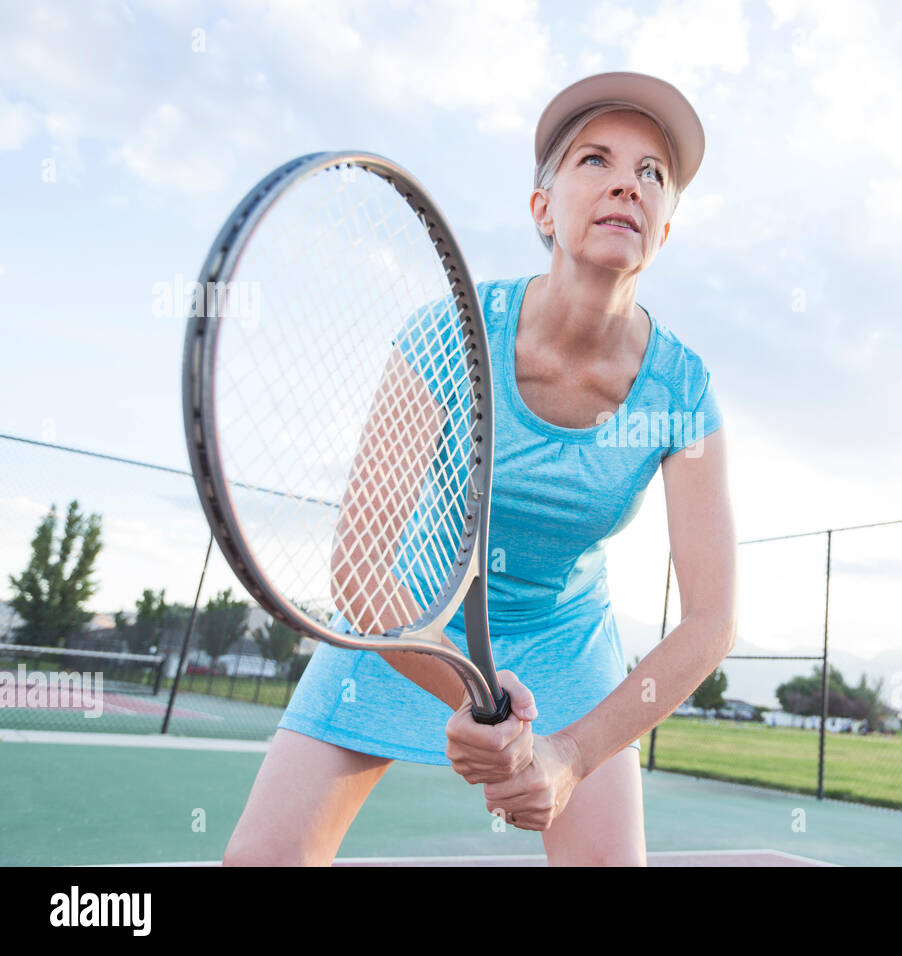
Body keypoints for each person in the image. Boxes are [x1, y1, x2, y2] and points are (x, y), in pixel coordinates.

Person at [222, 72, 738, 867]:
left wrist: (566, 752)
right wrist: (475, 699)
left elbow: (712, 621)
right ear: (543, 209)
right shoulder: (446, 336)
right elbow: (361, 571)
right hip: (407, 623)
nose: (628, 185)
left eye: (652, 174)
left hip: (568, 647)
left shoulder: (684, 388)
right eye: (596, 160)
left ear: (664, 229)